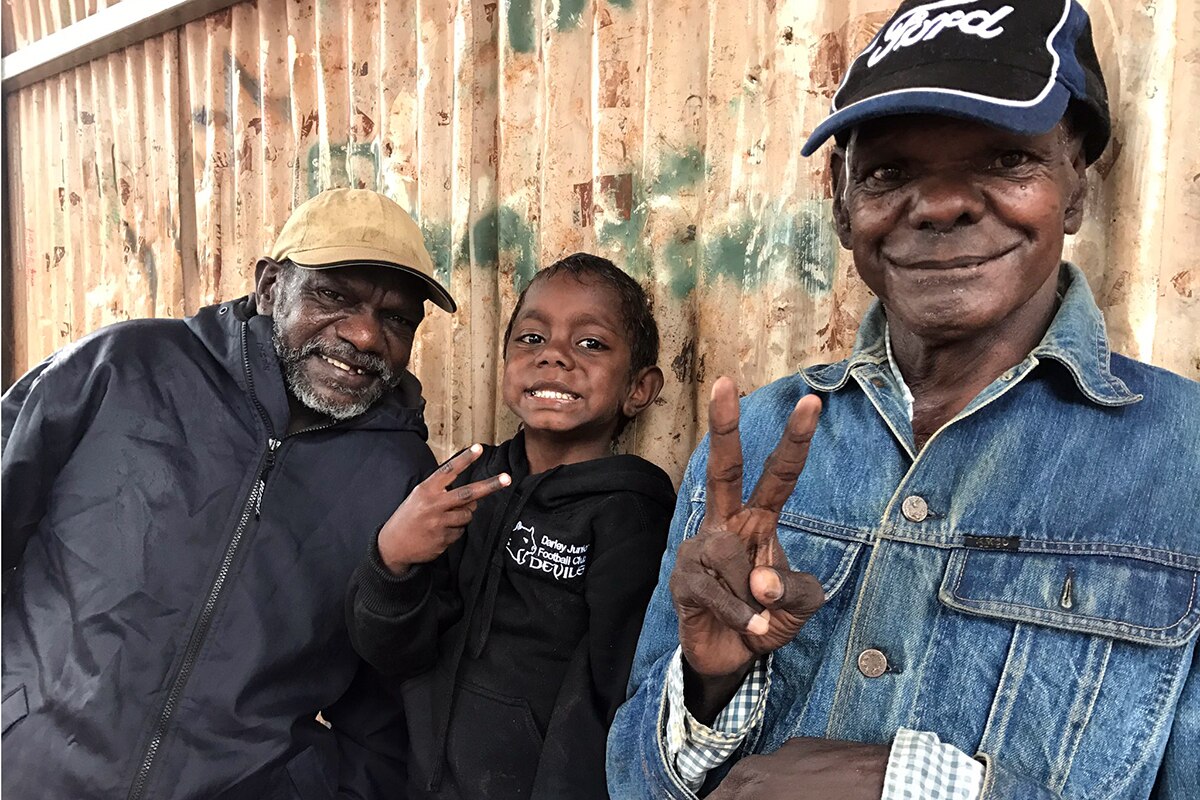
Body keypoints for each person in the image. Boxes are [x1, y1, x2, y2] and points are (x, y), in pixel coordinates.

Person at [607, 2, 1199, 798]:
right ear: (844, 205)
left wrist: (913, 786)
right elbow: (633, 782)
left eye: (1004, 161)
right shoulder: (754, 437)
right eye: (889, 172)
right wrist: (712, 688)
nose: (942, 204)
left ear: (1076, 190)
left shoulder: (1185, 462)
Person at [2, 188, 458, 799]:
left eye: (398, 318)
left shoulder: (400, 475)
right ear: (270, 287)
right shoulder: (124, 368)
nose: (367, 336)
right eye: (334, 295)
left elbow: (390, 695)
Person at [346, 253, 676, 799]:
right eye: (531, 339)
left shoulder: (629, 515)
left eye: (590, 343)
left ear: (638, 389)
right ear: (504, 363)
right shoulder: (469, 481)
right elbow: (395, 652)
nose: (555, 357)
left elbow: (611, 693)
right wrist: (393, 561)